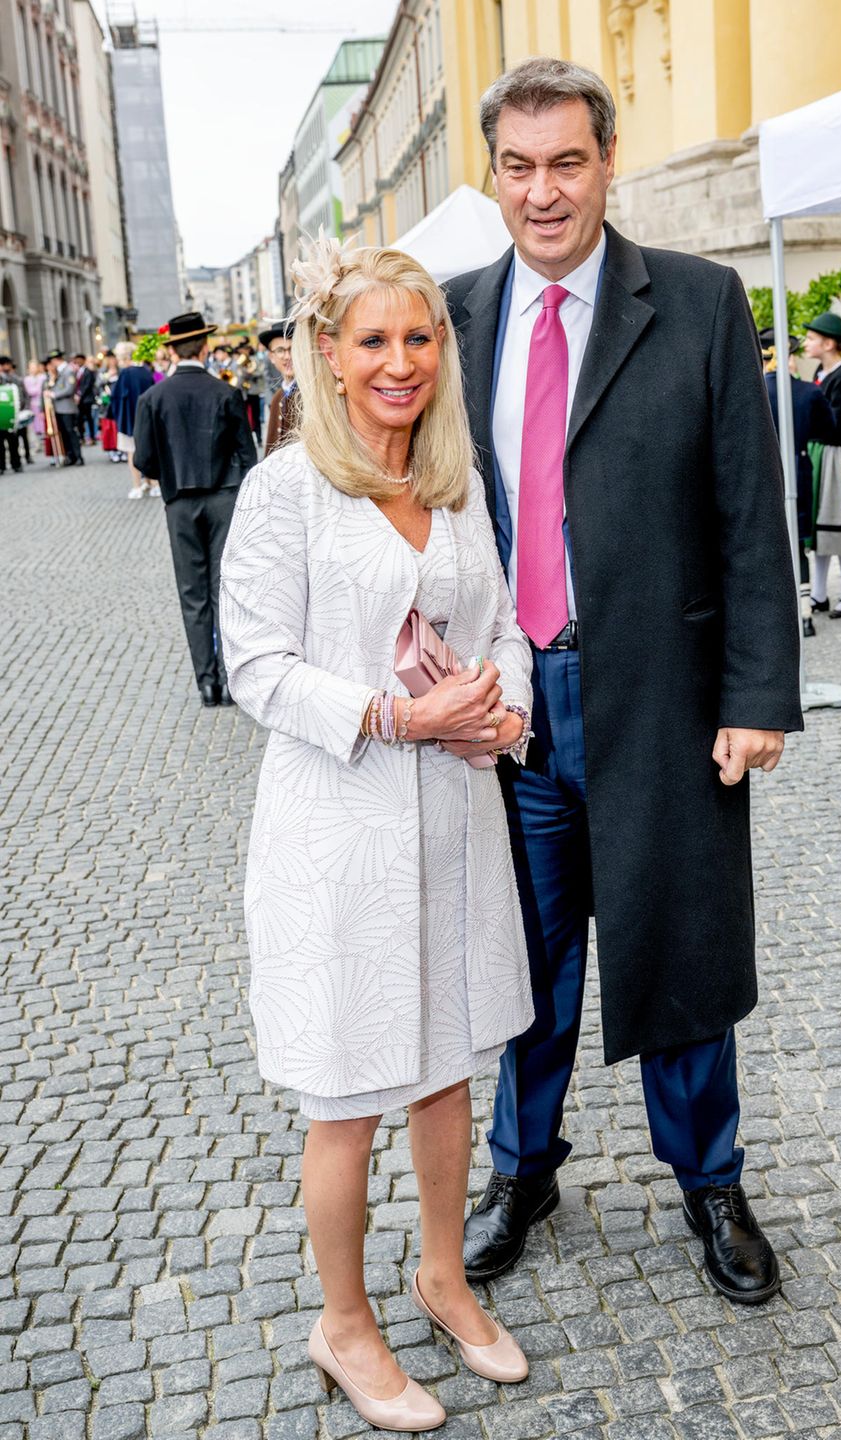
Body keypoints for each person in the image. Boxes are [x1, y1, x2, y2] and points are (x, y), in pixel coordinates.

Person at [444, 58, 802, 1305]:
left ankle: (710, 1178)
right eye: (520, 165)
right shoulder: (455, 316)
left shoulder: (700, 302)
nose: (544, 192)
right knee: (520, 961)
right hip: (509, 711)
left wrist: (757, 694)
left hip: (661, 697)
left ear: (608, 162)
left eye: (568, 162)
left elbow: (751, 513)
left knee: (682, 952)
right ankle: (522, 1167)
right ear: (494, 173)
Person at [219, 239, 534, 1434]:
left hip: (454, 823)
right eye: (374, 341)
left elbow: (502, 627)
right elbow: (254, 666)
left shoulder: (454, 483)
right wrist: (394, 715)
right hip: (336, 834)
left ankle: (443, 1275)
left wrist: (502, 711)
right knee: (347, 1094)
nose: (399, 362)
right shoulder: (286, 490)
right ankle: (342, 1323)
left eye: (419, 338)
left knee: (448, 1072)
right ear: (331, 358)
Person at [134, 312, 256, 707]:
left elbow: (144, 459)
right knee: (225, 590)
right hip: (223, 498)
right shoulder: (225, 393)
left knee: (193, 594)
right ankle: (229, 676)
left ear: (171, 350)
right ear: (204, 347)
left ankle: (207, 683)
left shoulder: (152, 398)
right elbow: (246, 455)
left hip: (180, 502)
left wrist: (169, 477)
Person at [760, 329, 841, 636]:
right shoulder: (809, 391)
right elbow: (829, 430)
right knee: (798, 544)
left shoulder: (753, 390)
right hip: (799, 466)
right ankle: (805, 614)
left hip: (765, 471)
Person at [804, 312, 841, 617]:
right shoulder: (820, 372)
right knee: (819, 528)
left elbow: (837, 426)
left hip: (833, 454)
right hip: (818, 452)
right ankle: (819, 592)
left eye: (812, 338)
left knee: (836, 525)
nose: (807, 343)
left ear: (828, 343)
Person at [109, 341, 156, 497]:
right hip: (147, 419)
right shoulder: (145, 371)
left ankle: (137, 486)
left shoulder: (126, 374)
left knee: (132, 453)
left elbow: (117, 397)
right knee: (149, 451)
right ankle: (152, 483)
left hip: (130, 419)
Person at [259, 322, 299, 455]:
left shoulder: (313, 392)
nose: (287, 356)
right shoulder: (277, 397)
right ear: (271, 357)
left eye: (292, 349)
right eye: (280, 350)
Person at [44, 349, 83, 466]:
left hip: (67, 408)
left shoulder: (68, 370)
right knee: (64, 434)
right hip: (58, 408)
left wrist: (54, 394)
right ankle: (70, 456)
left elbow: (69, 389)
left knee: (71, 432)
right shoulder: (59, 371)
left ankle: (78, 456)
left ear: (56, 360)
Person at [0, 356, 28, 470]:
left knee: (13, 441)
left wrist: (19, 409)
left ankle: (16, 464)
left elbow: (22, 395)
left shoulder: (16, 379)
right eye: (5, 364)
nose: (8, 367)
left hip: (13, 415)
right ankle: (1, 466)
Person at [23, 359, 46, 458]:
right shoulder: (27, 379)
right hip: (33, 404)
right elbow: (30, 391)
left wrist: (38, 389)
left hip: (44, 403)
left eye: (35, 367)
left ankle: (45, 442)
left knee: (44, 423)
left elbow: (43, 390)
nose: (33, 369)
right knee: (35, 425)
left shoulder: (43, 377)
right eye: (31, 367)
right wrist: (38, 389)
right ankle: (37, 443)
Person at [73, 353, 98, 444]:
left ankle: (92, 437)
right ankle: (82, 437)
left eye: (80, 360)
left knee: (89, 418)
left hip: (86, 399)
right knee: (79, 419)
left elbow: (87, 386)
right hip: (78, 400)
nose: (78, 362)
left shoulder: (88, 372)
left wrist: (80, 395)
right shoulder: (76, 372)